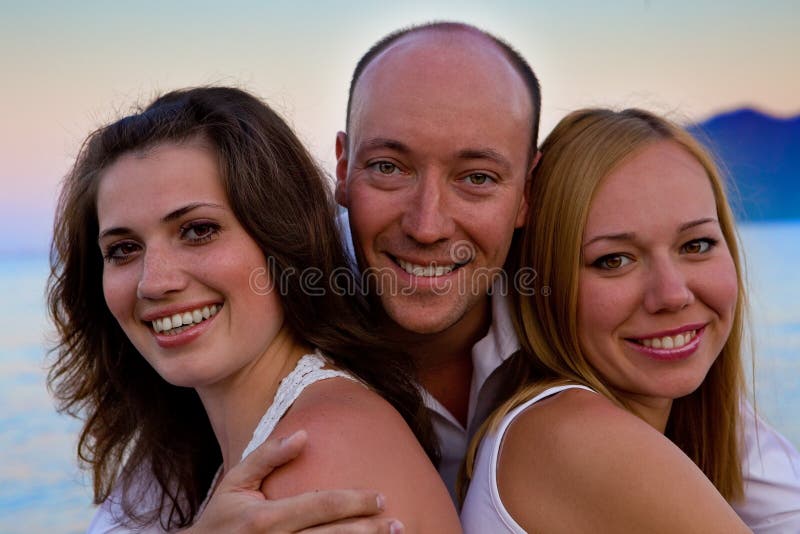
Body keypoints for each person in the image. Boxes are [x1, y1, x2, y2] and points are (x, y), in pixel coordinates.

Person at [88, 21, 800, 531]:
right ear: (341, 165)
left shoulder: (584, 309)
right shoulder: (263, 320)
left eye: (477, 177)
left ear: (526, 191)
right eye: (389, 168)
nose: (428, 223)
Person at [47, 86, 461, 533]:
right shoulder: (195, 450)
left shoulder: (311, 454)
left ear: (281, 240)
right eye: (124, 249)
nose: (154, 281)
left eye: (198, 230)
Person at [460, 108, 800, 532]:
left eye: (696, 245)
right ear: (543, 284)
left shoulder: (695, 423)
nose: (672, 294)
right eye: (614, 260)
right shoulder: (575, 437)